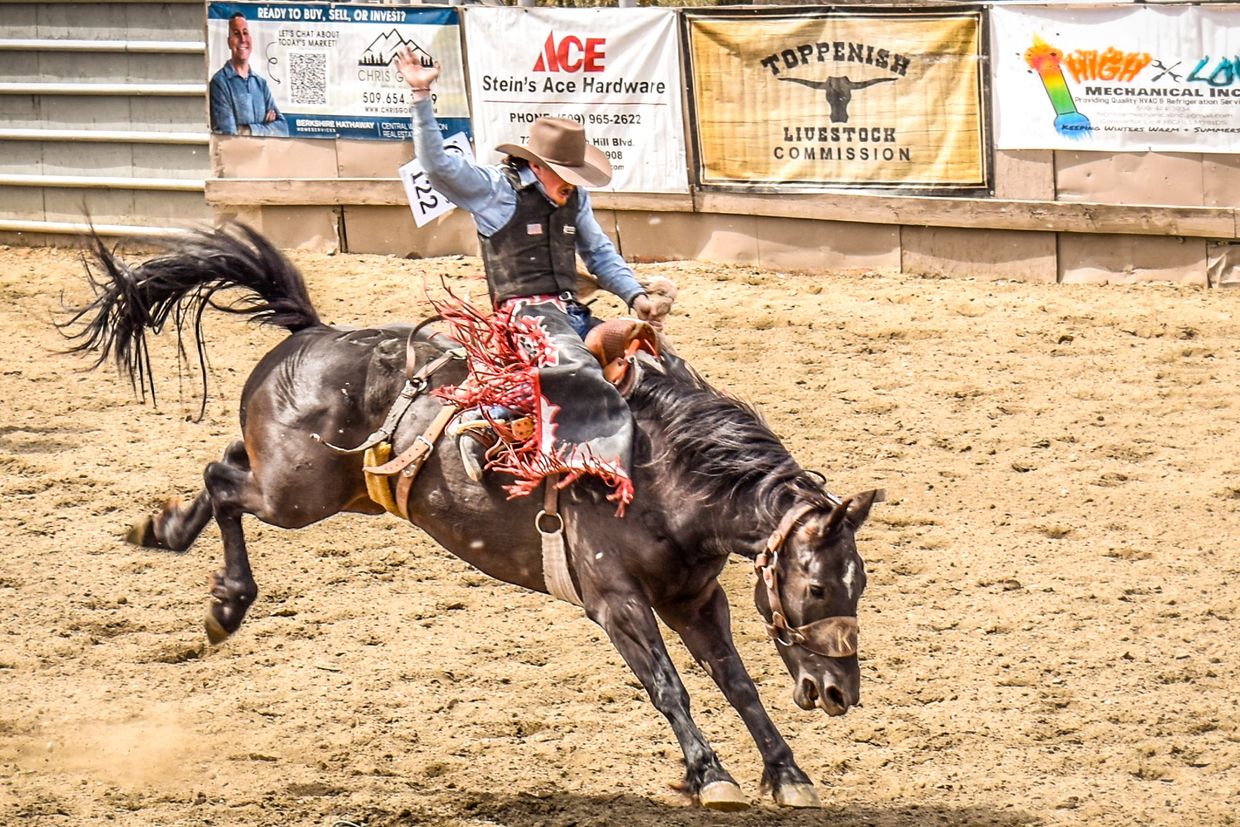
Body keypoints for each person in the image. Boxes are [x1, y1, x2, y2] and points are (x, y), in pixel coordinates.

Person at [395, 47, 664, 507]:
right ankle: (492, 423)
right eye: (563, 174)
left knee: (650, 357)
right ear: (537, 166)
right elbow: (437, 167)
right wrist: (421, 94)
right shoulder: (495, 191)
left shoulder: (573, 199)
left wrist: (635, 295)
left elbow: (598, 252)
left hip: (570, 309)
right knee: (569, 363)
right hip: (523, 311)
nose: (570, 184)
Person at [210, 12, 289, 137]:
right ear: (229, 42)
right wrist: (266, 127)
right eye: (236, 34)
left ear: (251, 39)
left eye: (245, 32)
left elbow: (283, 129)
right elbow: (228, 135)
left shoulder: (261, 84)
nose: (242, 39)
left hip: (263, 155)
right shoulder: (220, 83)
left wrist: (248, 130)